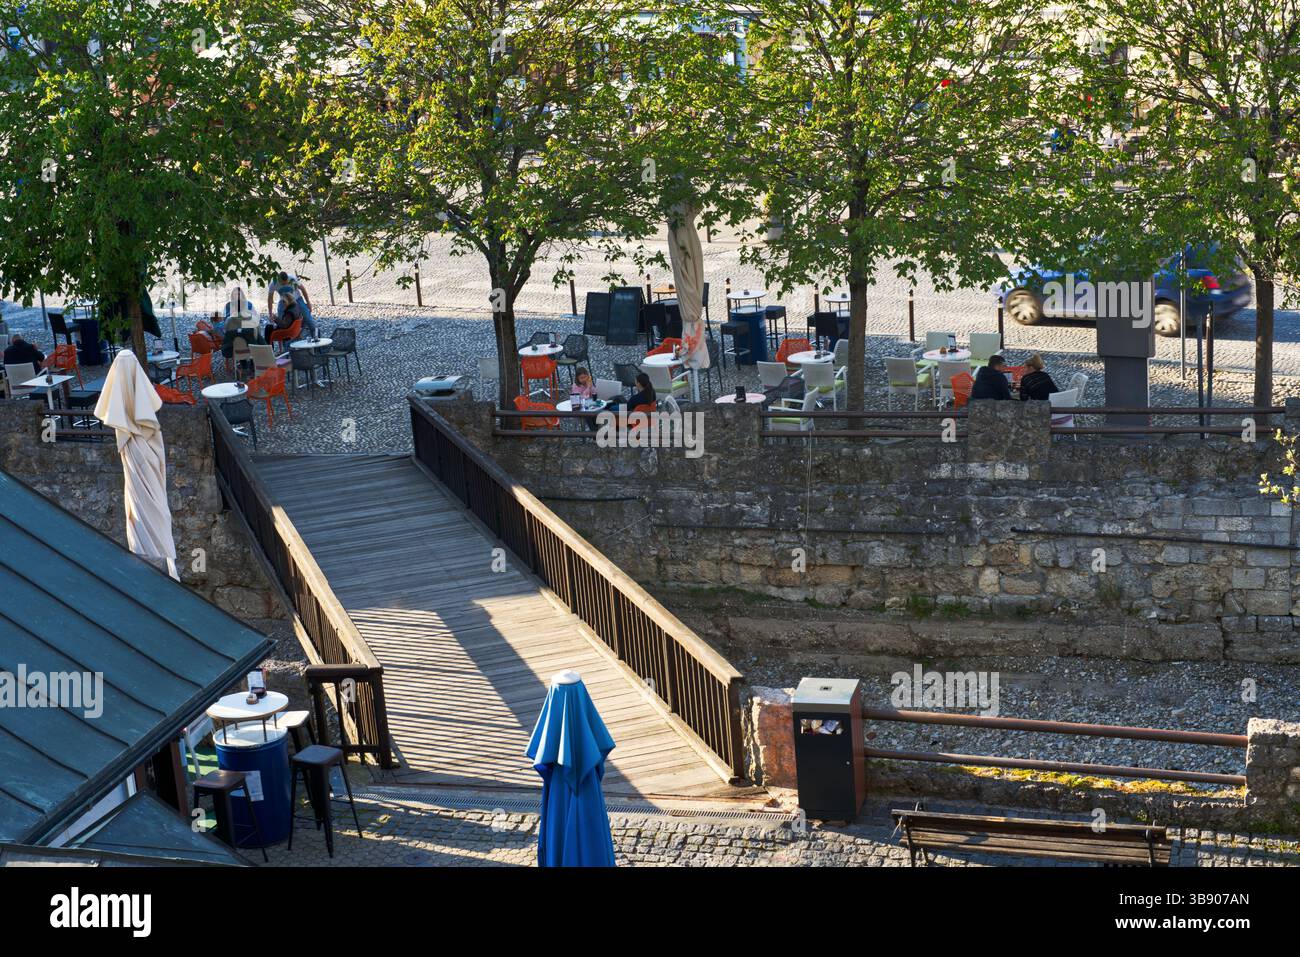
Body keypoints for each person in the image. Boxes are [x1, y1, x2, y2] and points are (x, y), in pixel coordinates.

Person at [266, 271, 316, 336]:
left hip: (297, 299)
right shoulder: (273, 283)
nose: (285, 284)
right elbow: (270, 299)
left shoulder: (292, 279)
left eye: (286, 282)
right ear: (279, 280)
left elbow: (303, 289)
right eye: (283, 284)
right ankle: (285, 340)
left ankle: (315, 335)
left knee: (308, 317)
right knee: (280, 320)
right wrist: (270, 313)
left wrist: (308, 303)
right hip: (284, 301)